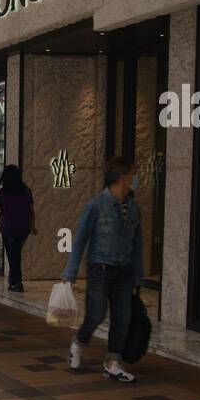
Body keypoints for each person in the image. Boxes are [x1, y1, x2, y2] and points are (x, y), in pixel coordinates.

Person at [61, 158, 144, 383]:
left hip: (124, 271)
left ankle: (112, 362)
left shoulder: (134, 208)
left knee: (123, 317)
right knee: (96, 314)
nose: (136, 179)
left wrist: (138, 274)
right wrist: (70, 273)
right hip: (100, 268)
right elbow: (80, 240)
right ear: (122, 178)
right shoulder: (96, 205)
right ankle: (78, 343)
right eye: (133, 175)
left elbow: (137, 244)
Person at [0, 165, 37, 292]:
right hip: (23, 228)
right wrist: (32, 226)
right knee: (15, 254)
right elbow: (31, 211)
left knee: (13, 256)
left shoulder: (3, 192)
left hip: (8, 229)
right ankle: (13, 281)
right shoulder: (26, 191)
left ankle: (16, 282)